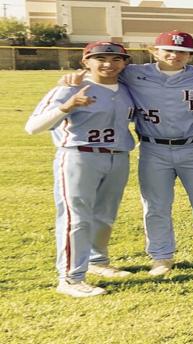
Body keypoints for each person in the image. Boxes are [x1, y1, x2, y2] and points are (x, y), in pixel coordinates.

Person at [60, 31, 193, 277]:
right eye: (167, 49)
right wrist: (69, 82)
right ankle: (161, 257)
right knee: (156, 205)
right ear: (154, 51)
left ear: (191, 55)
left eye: (181, 51)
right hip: (153, 147)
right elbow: (102, 74)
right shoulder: (133, 73)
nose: (174, 55)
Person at [25, 41, 138, 297]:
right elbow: (32, 127)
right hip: (79, 155)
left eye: (116, 59)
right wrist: (66, 106)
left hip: (117, 156)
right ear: (86, 61)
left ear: (125, 62)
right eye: (100, 58)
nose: (108, 64)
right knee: (76, 218)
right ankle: (70, 278)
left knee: (105, 214)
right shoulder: (70, 87)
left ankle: (98, 261)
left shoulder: (126, 89)